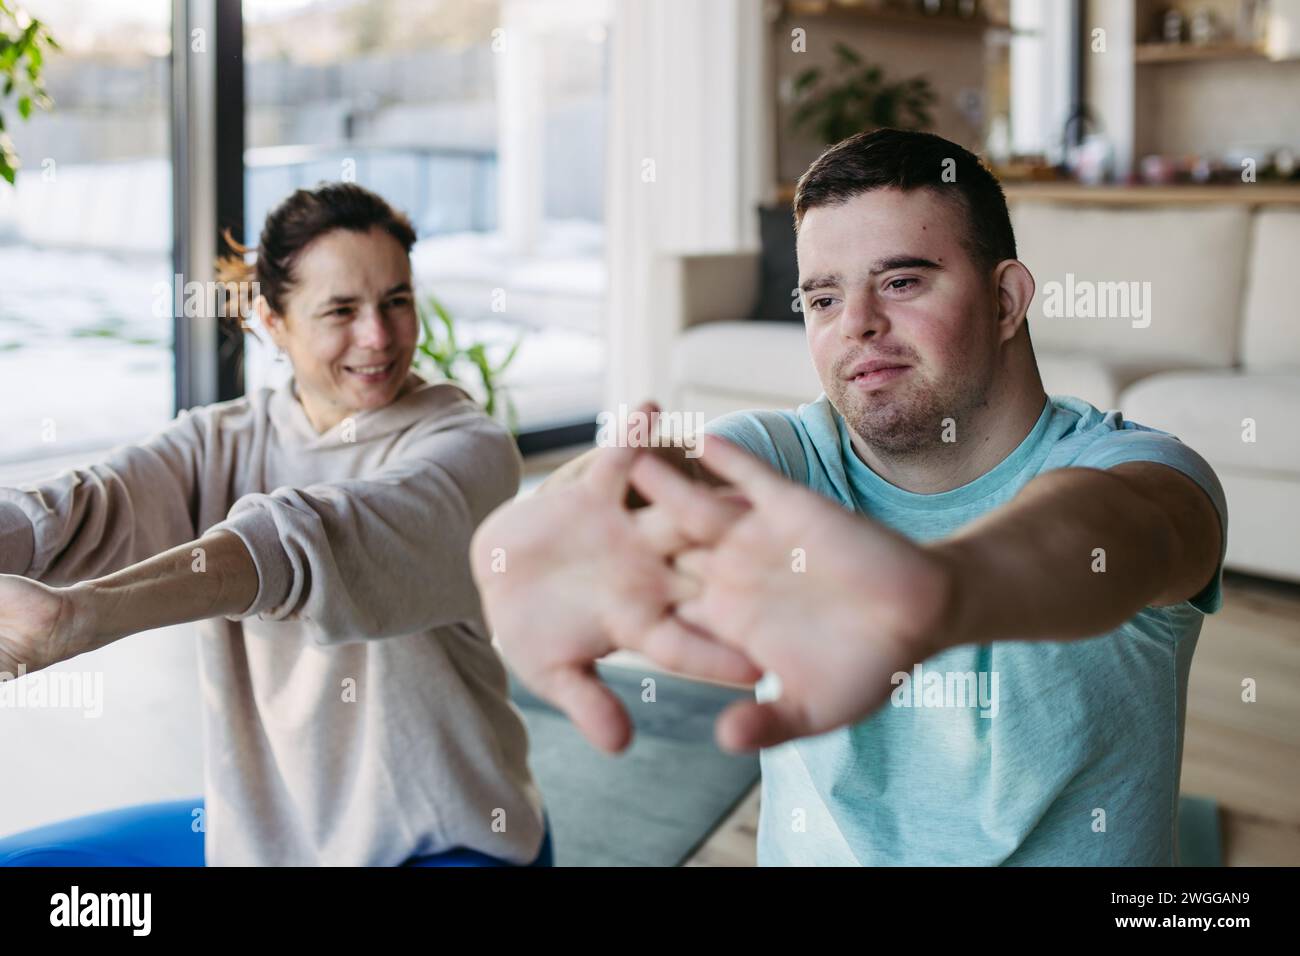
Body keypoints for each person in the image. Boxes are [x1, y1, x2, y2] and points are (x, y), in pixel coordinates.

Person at [470, 129, 1228, 866]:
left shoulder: (1142, 470)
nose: (857, 325)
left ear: (1005, 301)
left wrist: (946, 590)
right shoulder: (784, 462)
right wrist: (556, 518)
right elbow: (658, 479)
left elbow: (1132, 529)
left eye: (900, 282)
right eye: (824, 298)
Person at [0, 182, 551, 867]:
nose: (377, 336)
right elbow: (83, 509)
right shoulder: (220, 440)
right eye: (341, 310)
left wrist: (82, 618)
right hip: (274, 837)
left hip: (447, 841)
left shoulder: (468, 447)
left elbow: (309, 541)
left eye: (396, 301)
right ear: (270, 320)